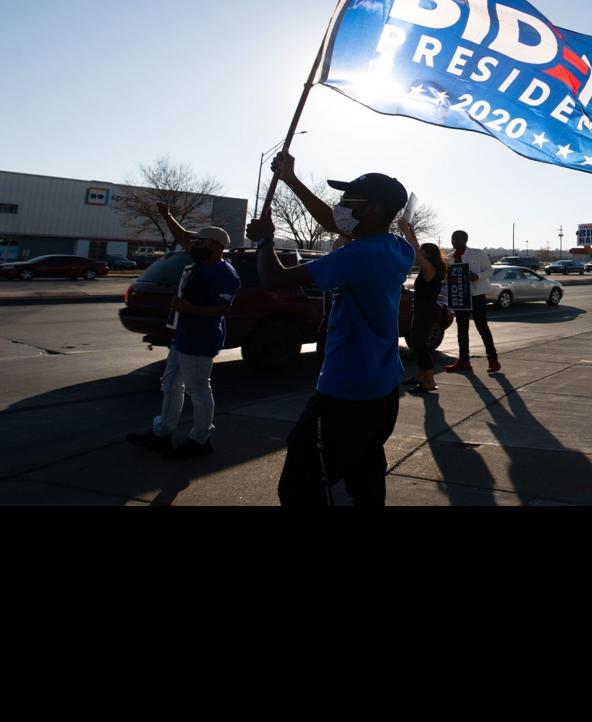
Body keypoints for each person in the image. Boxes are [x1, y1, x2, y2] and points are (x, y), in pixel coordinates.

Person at [248, 152, 411, 507]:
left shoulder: (357, 256)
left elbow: (273, 280)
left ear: (374, 210)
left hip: (347, 393)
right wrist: (291, 179)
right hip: (380, 387)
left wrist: (264, 241)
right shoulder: (398, 248)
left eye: (350, 200)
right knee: (363, 475)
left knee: (304, 484)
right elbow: (335, 223)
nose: (341, 206)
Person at [125, 205, 240, 460]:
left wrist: (191, 307)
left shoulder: (224, 273)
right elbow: (182, 237)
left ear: (217, 246)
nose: (196, 244)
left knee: (198, 390)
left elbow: (223, 308)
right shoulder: (202, 260)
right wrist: (167, 216)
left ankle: (200, 440)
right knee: (171, 384)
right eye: (196, 240)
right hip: (183, 336)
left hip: (201, 339)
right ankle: (162, 432)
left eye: (202, 241)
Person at [445, 230, 498, 374]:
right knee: (461, 330)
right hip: (460, 297)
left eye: (457, 239)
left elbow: (489, 271)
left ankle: (493, 360)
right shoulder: (449, 258)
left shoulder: (477, 253)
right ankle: (463, 361)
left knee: (482, 327)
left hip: (476, 295)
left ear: (465, 240)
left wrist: (478, 276)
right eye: (452, 239)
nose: (454, 242)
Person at [400, 222, 443, 394]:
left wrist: (405, 231)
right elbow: (417, 249)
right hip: (425, 310)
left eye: (424, 252)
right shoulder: (432, 268)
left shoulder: (430, 269)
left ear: (428, 255)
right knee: (420, 343)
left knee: (419, 345)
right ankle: (420, 376)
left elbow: (416, 251)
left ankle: (430, 381)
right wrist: (410, 231)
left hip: (426, 311)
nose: (420, 254)